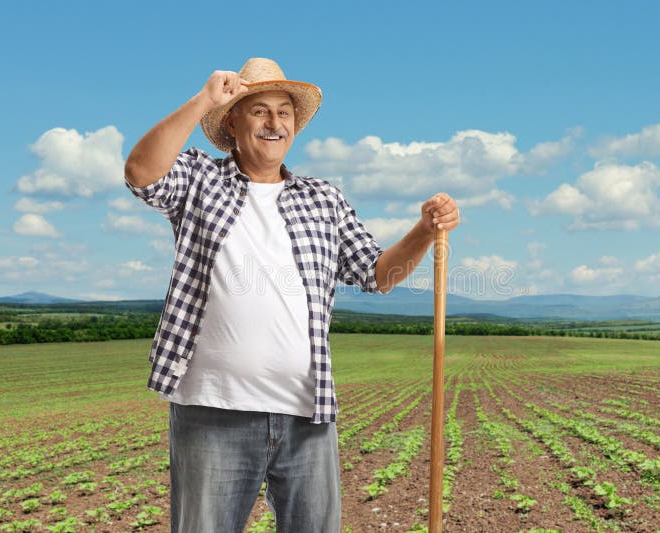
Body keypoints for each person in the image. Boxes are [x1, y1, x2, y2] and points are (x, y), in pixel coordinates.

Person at [123, 57, 460, 533]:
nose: (274, 122)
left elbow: (379, 274)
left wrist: (424, 231)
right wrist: (204, 99)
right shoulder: (200, 179)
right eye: (258, 110)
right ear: (233, 121)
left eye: (284, 112)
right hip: (212, 412)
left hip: (307, 416)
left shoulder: (324, 199)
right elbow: (141, 173)